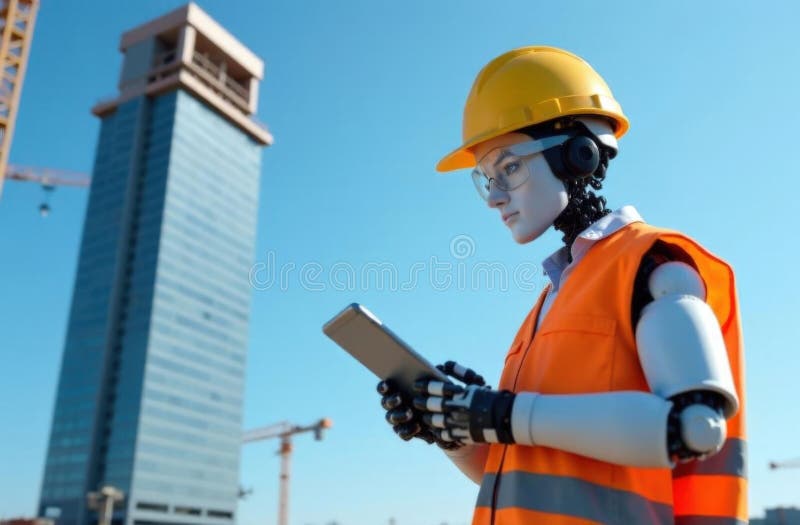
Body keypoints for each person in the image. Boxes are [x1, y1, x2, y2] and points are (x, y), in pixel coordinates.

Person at [377, 46, 747, 525]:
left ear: (578, 154)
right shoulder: (551, 301)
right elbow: (523, 467)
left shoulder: (652, 265)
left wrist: (501, 415)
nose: (493, 197)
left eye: (508, 167)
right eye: (486, 178)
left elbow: (696, 426)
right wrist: (455, 427)